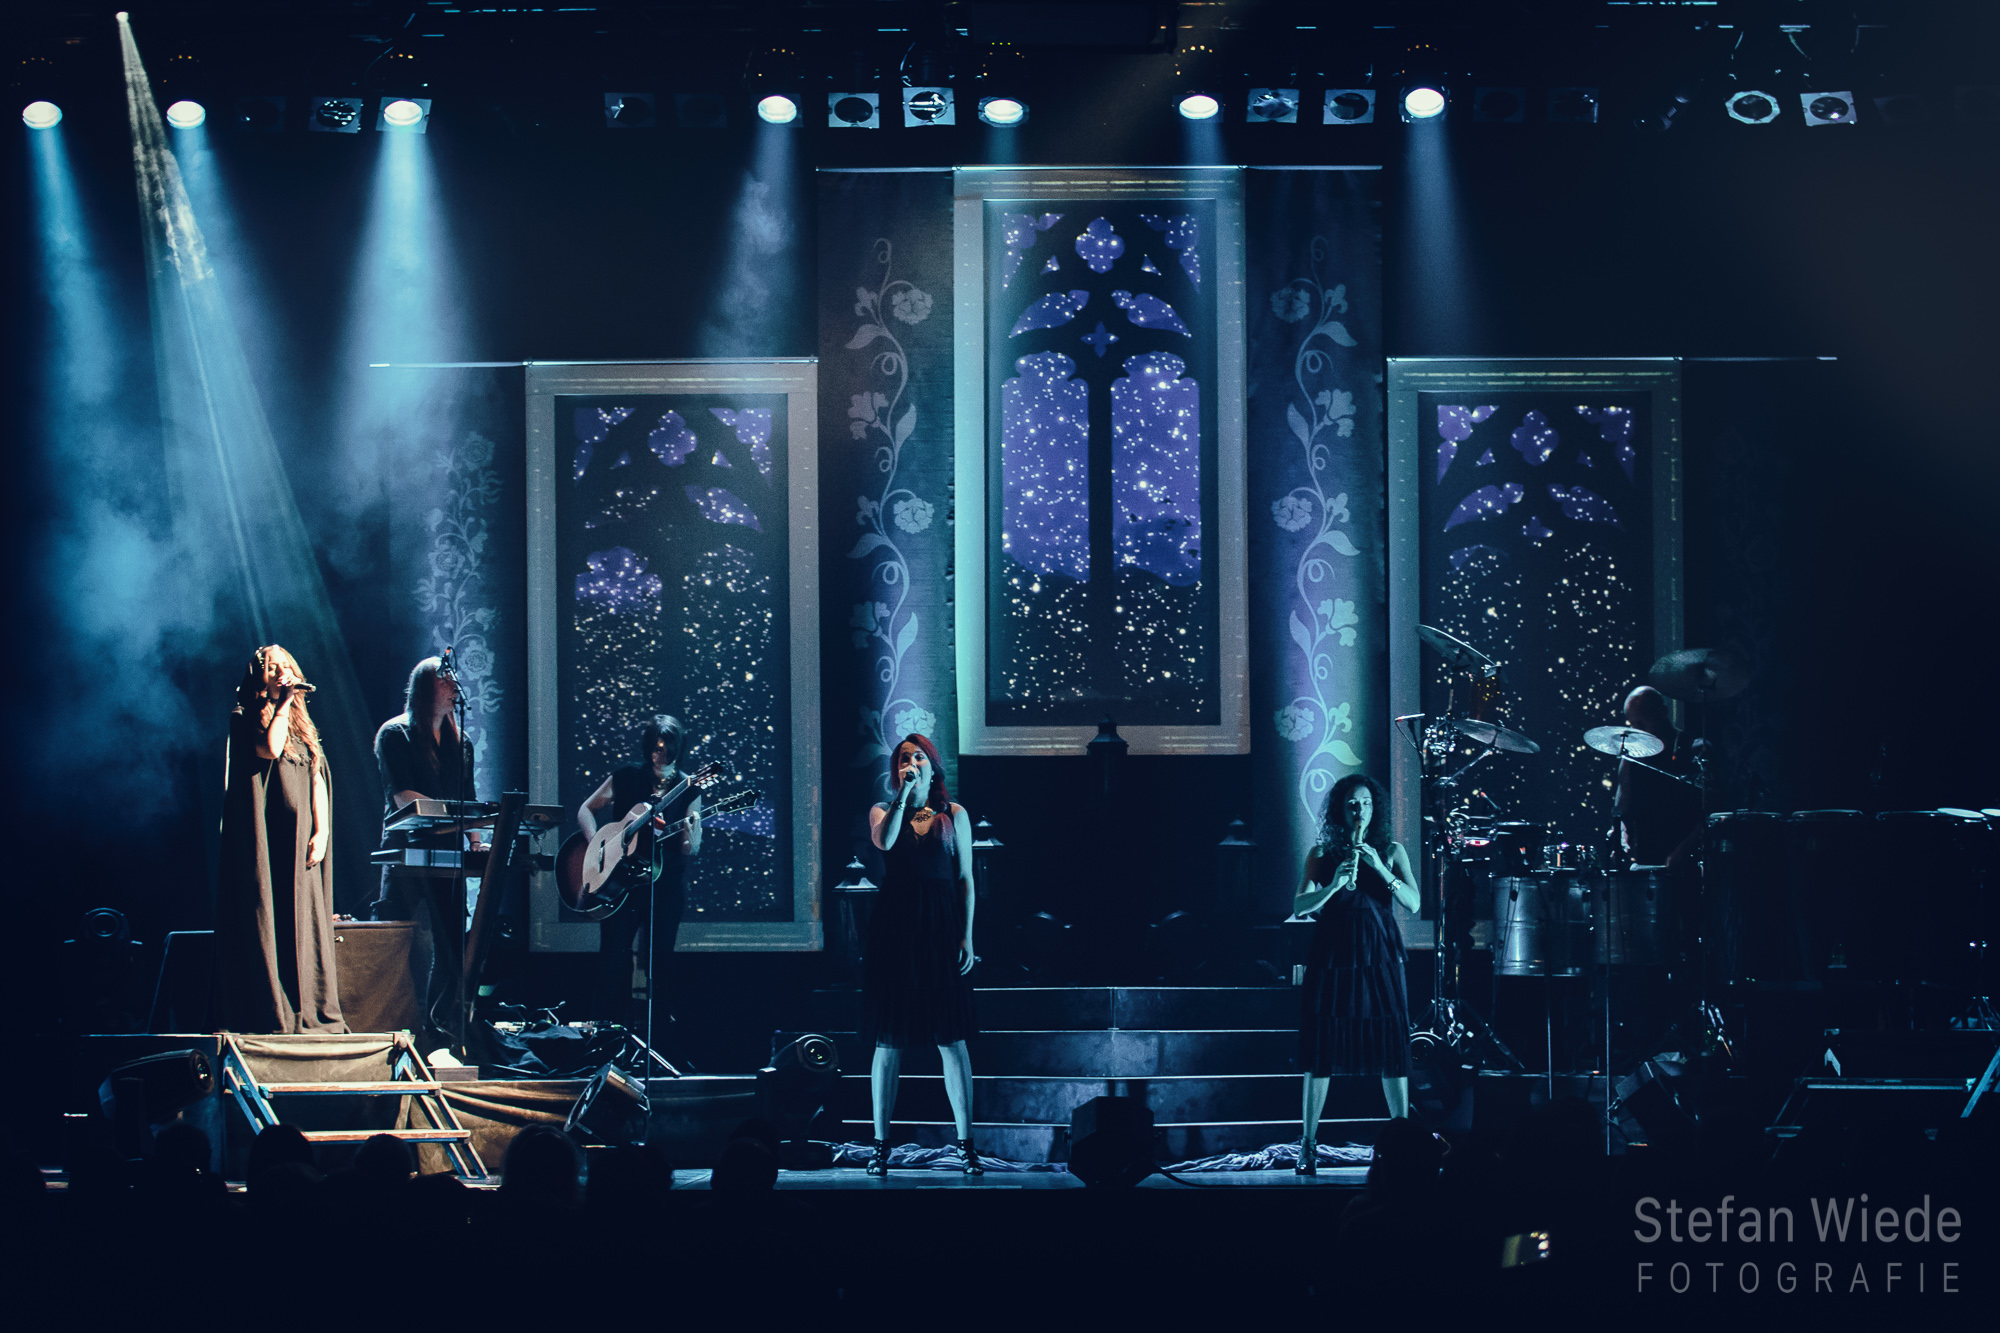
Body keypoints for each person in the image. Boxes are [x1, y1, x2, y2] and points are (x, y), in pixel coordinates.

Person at [863, 734, 980, 1177]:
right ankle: (880, 1145)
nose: (909, 763)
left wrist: (966, 937)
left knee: (951, 1037)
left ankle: (966, 1143)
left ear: (933, 765)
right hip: (896, 928)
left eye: (917, 758)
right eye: (902, 760)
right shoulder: (883, 809)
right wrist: (902, 796)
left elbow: (966, 877)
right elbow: (885, 843)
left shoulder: (954, 815)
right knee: (888, 1039)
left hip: (939, 925)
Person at [215, 646, 346, 1034]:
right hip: (267, 840)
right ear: (260, 677)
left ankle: (311, 1008)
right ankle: (275, 1009)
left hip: (300, 839)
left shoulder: (302, 725)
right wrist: (284, 703)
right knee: (270, 915)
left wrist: (321, 831)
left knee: (303, 919)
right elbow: (269, 749)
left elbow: (316, 776)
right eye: (273, 668)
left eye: (286, 667)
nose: (281, 673)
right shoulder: (244, 718)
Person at [1294, 773, 1420, 1173]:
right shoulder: (1321, 851)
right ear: (1340, 809)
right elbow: (1300, 905)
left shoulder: (1392, 849)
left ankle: (1401, 1144)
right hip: (1334, 955)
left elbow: (1414, 903)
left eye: (1365, 803)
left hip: (1379, 955)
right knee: (1322, 1049)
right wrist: (1332, 886)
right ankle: (1308, 1145)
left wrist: (1381, 869)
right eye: (1352, 804)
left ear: (1374, 807)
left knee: (1390, 1047)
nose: (1359, 810)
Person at [371, 656, 479, 1055]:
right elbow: (404, 797)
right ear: (425, 688)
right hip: (406, 853)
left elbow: (467, 797)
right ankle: (393, 1024)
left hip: (446, 853)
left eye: (455, 681)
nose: (454, 686)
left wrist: (476, 839)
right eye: (444, 680)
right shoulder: (394, 734)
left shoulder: (460, 742)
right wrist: (454, 817)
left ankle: (438, 1028)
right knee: (398, 940)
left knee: (452, 943)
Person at [576, 714, 703, 1029]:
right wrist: (598, 845)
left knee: (661, 961)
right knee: (612, 958)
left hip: (665, 884)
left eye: (668, 749)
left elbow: (690, 848)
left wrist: (692, 833)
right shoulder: (627, 775)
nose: (660, 755)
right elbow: (586, 809)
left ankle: (658, 1039)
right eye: (656, 748)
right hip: (621, 884)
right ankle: (603, 1035)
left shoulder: (688, 786)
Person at [1612, 685, 1703, 868]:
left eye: (1643, 723)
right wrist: (1620, 834)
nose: (1638, 730)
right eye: (1634, 724)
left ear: (1663, 712)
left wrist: (1683, 851)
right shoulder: (1632, 757)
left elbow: (1711, 813)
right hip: (1647, 862)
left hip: (1689, 862)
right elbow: (1622, 809)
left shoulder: (1696, 750)